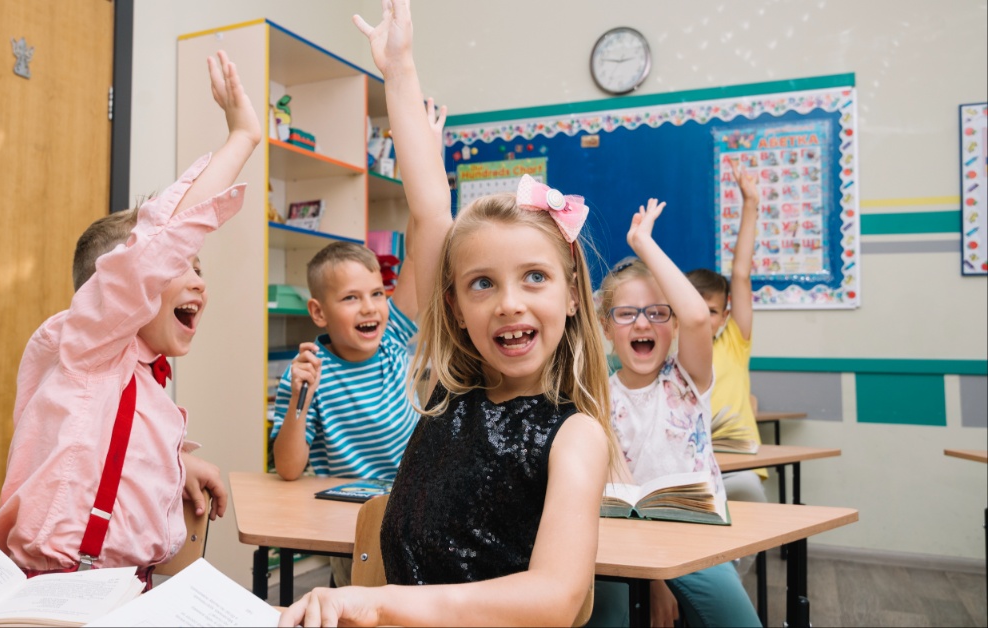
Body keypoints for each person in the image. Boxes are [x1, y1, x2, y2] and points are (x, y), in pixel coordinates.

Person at [280, 1, 614, 625]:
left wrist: (378, 603)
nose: (509, 302)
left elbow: (555, 598)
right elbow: (432, 211)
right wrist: (399, 71)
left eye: (534, 278)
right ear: (455, 308)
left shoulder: (578, 435)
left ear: (573, 297)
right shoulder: (442, 392)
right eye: (482, 284)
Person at [0, 50, 261, 590]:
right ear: (119, 294)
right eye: (182, 265)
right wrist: (242, 138)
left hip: (130, 587)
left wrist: (178, 463)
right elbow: (156, 246)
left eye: (200, 268)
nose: (199, 280)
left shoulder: (143, 375)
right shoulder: (88, 345)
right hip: (59, 587)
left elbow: (107, 439)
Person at [270, 94, 446, 588]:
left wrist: (426, 156)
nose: (370, 307)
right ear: (319, 313)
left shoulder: (393, 339)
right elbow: (288, 469)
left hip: (413, 511)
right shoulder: (307, 374)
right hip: (350, 525)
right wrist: (299, 399)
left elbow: (422, 234)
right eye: (351, 299)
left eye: (376, 293)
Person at [590, 199, 760, 627]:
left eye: (658, 313)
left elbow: (700, 318)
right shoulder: (598, 398)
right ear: (607, 328)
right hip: (621, 543)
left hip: (694, 539)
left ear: (675, 323)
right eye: (626, 314)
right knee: (605, 614)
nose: (643, 324)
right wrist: (655, 581)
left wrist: (644, 244)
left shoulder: (687, 380)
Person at [686, 156, 769, 506]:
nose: (704, 319)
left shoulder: (735, 341)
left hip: (739, 463)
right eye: (694, 309)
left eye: (712, 311)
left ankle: (738, 565)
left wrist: (750, 204)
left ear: (726, 315)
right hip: (691, 463)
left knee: (751, 508)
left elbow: (740, 275)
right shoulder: (673, 351)